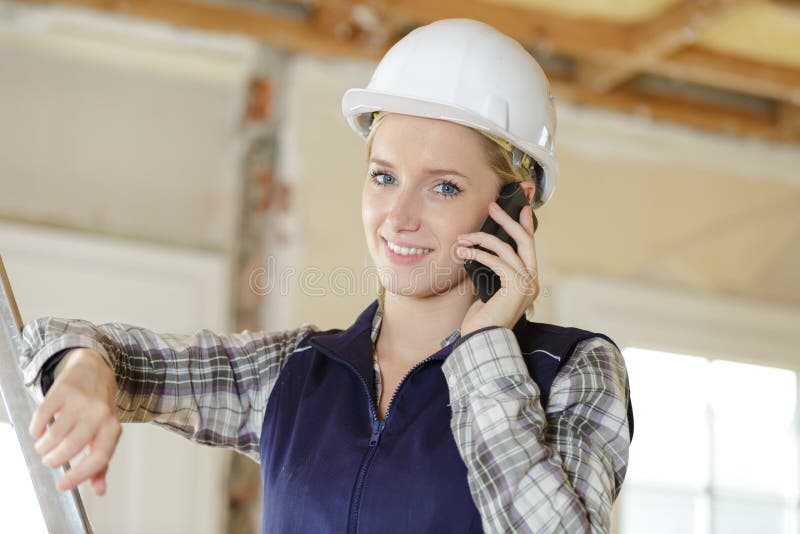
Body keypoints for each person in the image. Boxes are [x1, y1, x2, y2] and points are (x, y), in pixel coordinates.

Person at [18, 18, 632, 534]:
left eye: (444, 186)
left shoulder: (572, 371)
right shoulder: (298, 372)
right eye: (384, 176)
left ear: (514, 208)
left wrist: (487, 354)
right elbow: (91, 348)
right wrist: (86, 373)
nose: (399, 216)